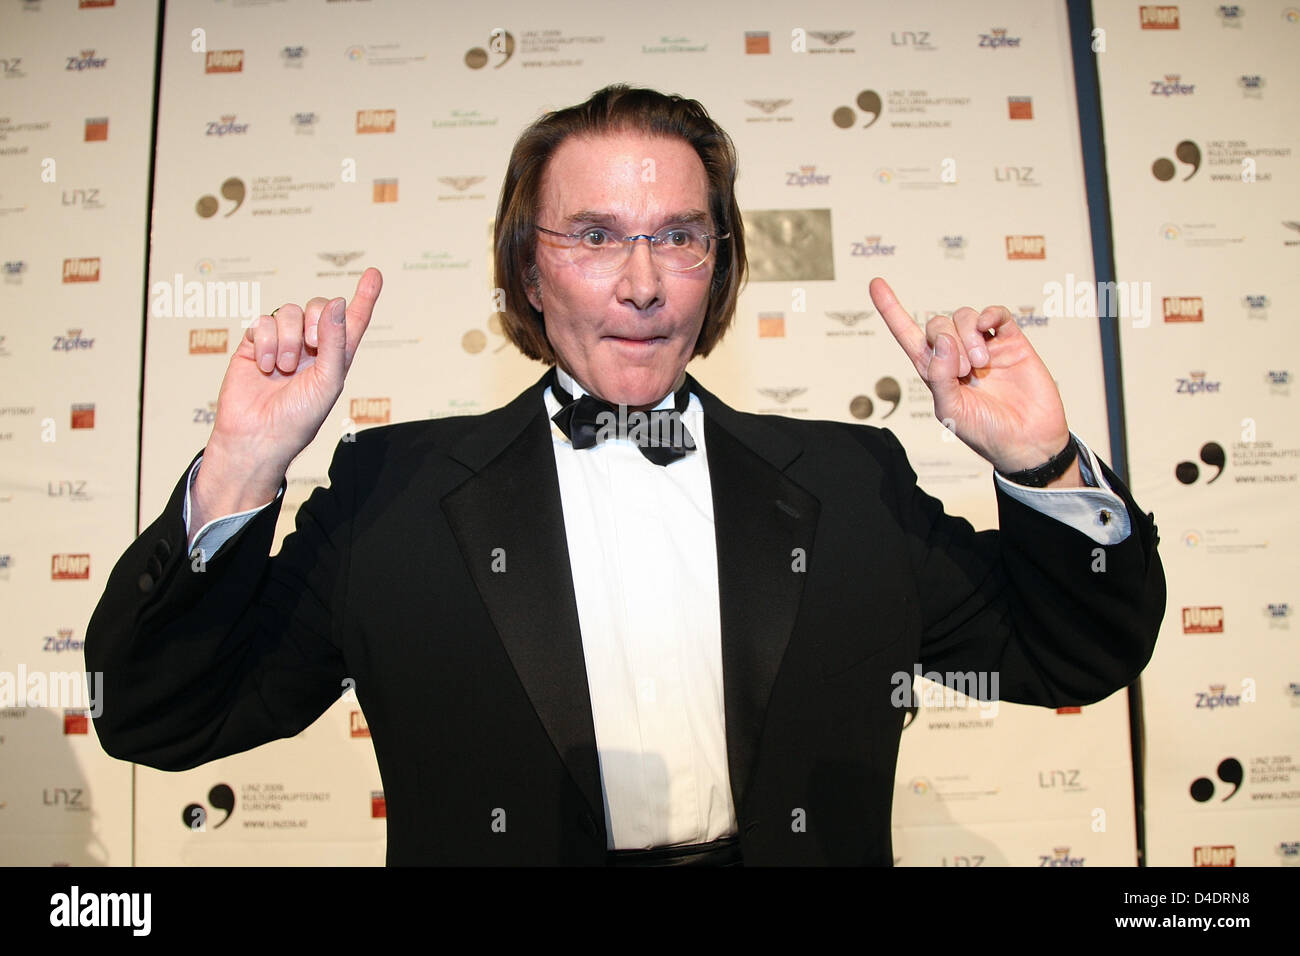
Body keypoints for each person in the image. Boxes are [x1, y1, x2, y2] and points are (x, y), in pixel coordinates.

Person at [86, 85, 1165, 866]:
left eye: (679, 236)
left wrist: (1041, 462)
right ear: (528, 268)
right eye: (596, 236)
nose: (643, 284)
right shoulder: (393, 494)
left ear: (717, 263)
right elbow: (157, 715)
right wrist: (240, 469)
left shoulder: (849, 483)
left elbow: (1074, 650)